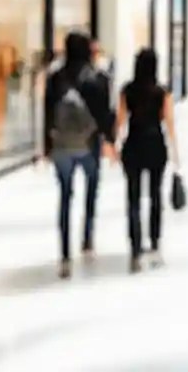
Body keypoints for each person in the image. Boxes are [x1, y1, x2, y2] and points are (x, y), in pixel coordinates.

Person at [43, 32, 115, 279]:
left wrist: (46, 146)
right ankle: (87, 239)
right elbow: (106, 115)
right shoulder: (99, 78)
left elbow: (48, 113)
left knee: (64, 197)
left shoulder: (55, 78)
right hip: (89, 144)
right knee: (91, 191)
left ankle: (64, 256)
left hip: (62, 144)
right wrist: (111, 141)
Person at [115, 49, 181, 274]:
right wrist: (175, 154)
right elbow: (169, 124)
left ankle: (135, 249)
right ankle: (154, 243)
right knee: (155, 195)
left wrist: (115, 146)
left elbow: (121, 121)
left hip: (133, 145)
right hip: (155, 145)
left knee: (132, 197)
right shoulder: (162, 92)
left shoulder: (127, 90)